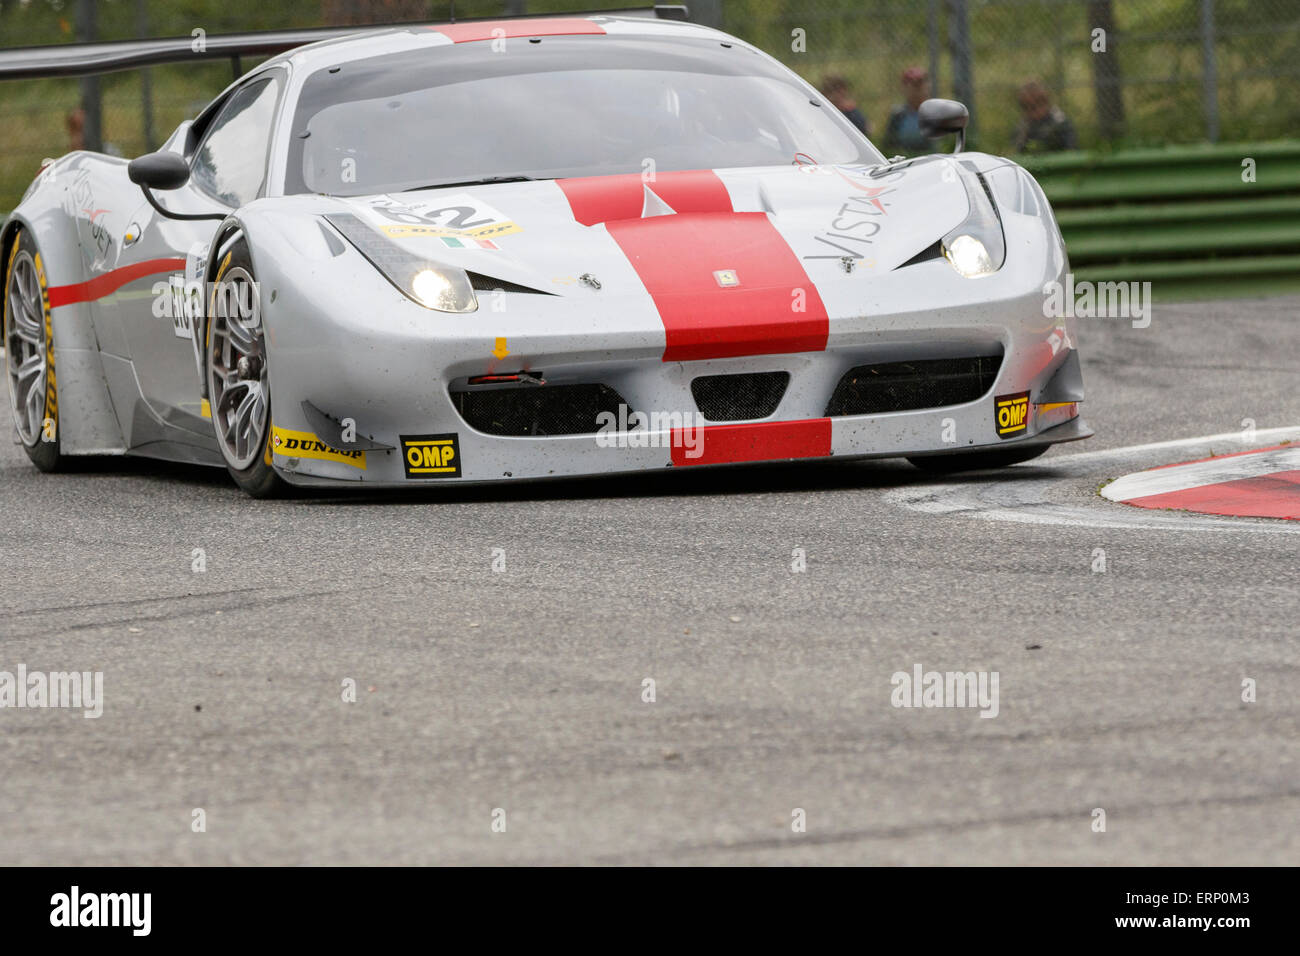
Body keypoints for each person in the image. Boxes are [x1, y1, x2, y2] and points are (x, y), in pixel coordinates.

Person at [1013, 80, 1078, 153]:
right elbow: (1019, 148)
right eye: (1025, 107)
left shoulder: (1060, 121)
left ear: (1045, 103)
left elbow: (1070, 148)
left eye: (1034, 106)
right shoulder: (1023, 126)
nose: (1033, 113)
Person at [882, 66, 931, 155]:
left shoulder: (934, 113)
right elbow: (889, 145)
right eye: (914, 85)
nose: (918, 89)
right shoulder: (897, 115)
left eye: (921, 84)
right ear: (904, 88)